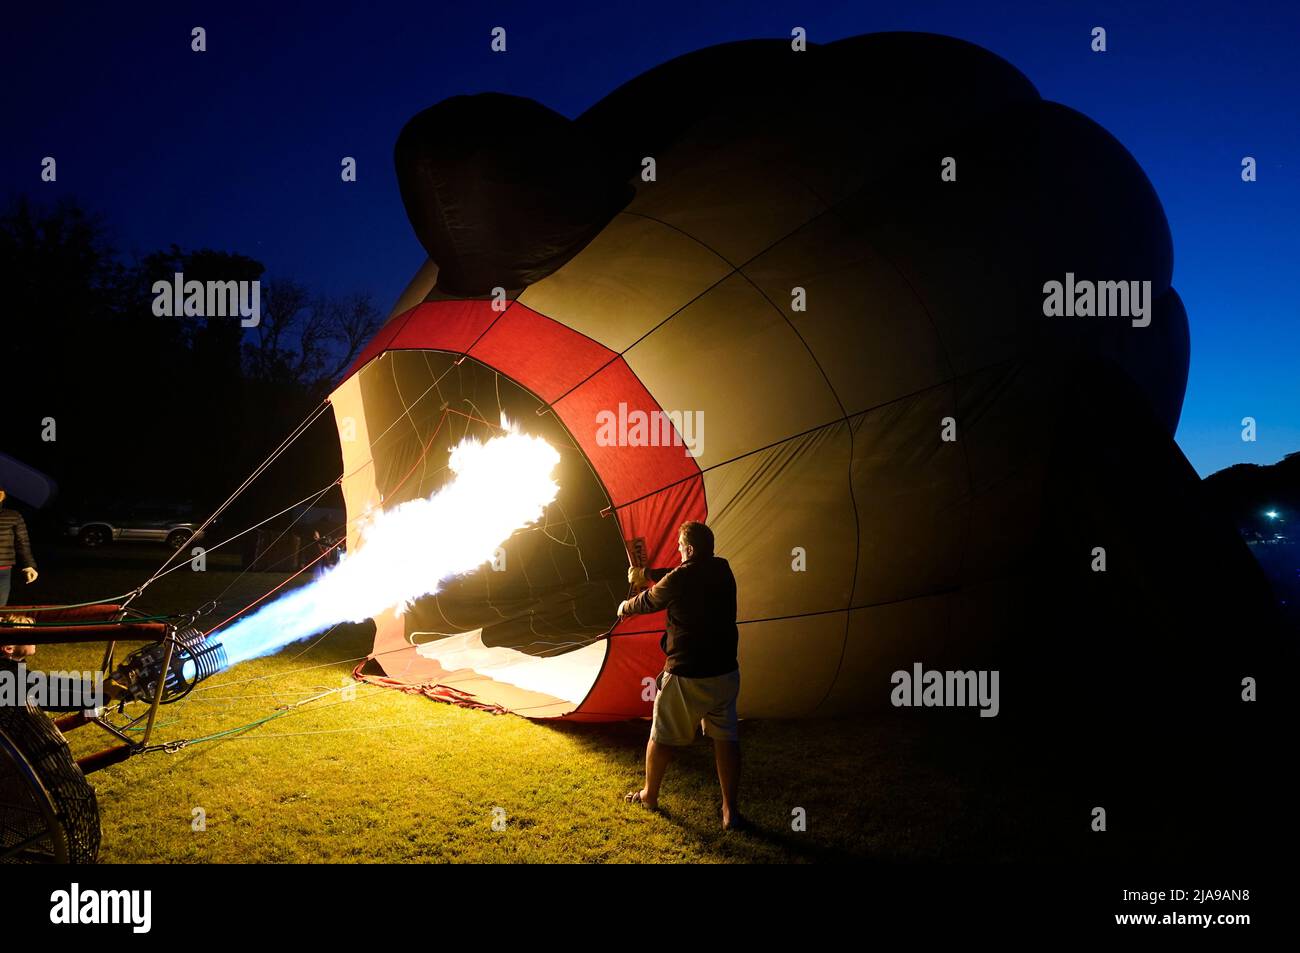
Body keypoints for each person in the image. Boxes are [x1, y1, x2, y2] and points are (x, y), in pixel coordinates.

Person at [618, 520, 746, 830]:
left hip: (687, 673)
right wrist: (647, 575)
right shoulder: (722, 569)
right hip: (725, 673)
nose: (677, 551)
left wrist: (625, 607)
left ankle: (649, 795)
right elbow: (677, 579)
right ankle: (730, 810)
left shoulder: (681, 578)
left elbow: (650, 600)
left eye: (679, 547)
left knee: (661, 735)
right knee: (725, 737)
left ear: (688, 549)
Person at [0, 486, 39, 607]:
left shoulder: (13, 516)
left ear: (3, 496)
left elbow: (22, 542)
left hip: (3, 570)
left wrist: (29, 565)